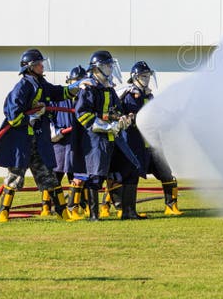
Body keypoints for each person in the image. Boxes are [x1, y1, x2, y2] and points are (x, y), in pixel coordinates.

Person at [0, 49, 84, 222]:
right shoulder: (22, 87)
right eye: (39, 64)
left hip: (38, 141)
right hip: (21, 142)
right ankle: (3, 213)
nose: (43, 66)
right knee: (14, 177)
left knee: (49, 177)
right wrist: (32, 116)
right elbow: (12, 115)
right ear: (30, 67)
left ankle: (63, 214)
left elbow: (58, 92)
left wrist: (76, 87)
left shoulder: (41, 83)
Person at [74, 50, 133, 221]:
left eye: (111, 65)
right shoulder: (89, 88)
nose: (110, 68)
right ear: (97, 68)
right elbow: (83, 115)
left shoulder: (108, 88)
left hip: (112, 139)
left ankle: (126, 211)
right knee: (96, 175)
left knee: (122, 171)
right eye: (107, 65)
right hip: (95, 140)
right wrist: (108, 126)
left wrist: (123, 119)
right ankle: (94, 215)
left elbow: (117, 110)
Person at [121, 61, 183, 216]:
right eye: (143, 76)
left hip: (153, 144)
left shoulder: (149, 95)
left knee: (167, 174)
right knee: (129, 178)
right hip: (135, 145)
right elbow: (132, 118)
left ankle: (171, 206)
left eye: (148, 75)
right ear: (135, 77)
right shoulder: (129, 96)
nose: (147, 78)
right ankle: (110, 207)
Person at [50, 65, 88, 220]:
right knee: (55, 177)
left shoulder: (86, 98)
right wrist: (54, 132)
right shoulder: (60, 98)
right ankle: (48, 207)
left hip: (77, 143)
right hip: (60, 142)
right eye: (75, 82)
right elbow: (49, 118)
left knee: (78, 176)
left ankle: (79, 207)